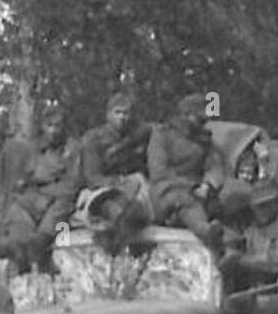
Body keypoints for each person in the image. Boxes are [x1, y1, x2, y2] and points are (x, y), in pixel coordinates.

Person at [0, 106, 82, 272]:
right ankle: (20, 256)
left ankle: (41, 248)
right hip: (35, 198)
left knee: (60, 214)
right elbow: (27, 180)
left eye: (57, 126)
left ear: (64, 128)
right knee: (17, 211)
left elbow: (73, 185)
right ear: (43, 127)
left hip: (61, 202)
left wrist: (45, 192)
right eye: (49, 126)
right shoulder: (36, 149)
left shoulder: (72, 149)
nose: (53, 131)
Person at [76, 91, 155, 251]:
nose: (122, 117)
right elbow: (92, 176)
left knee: (140, 209)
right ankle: (119, 234)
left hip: (133, 187)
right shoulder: (93, 139)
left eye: (126, 113)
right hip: (101, 190)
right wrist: (118, 183)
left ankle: (116, 237)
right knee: (114, 208)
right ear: (108, 115)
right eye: (117, 112)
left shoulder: (138, 135)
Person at [145, 93, 223, 242]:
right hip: (166, 191)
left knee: (230, 195)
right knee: (183, 200)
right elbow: (159, 172)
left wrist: (208, 185)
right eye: (199, 119)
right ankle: (204, 230)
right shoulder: (162, 135)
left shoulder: (204, 140)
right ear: (186, 115)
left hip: (199, 191)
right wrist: (192, 186)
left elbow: (214, 166)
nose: (203, 123)